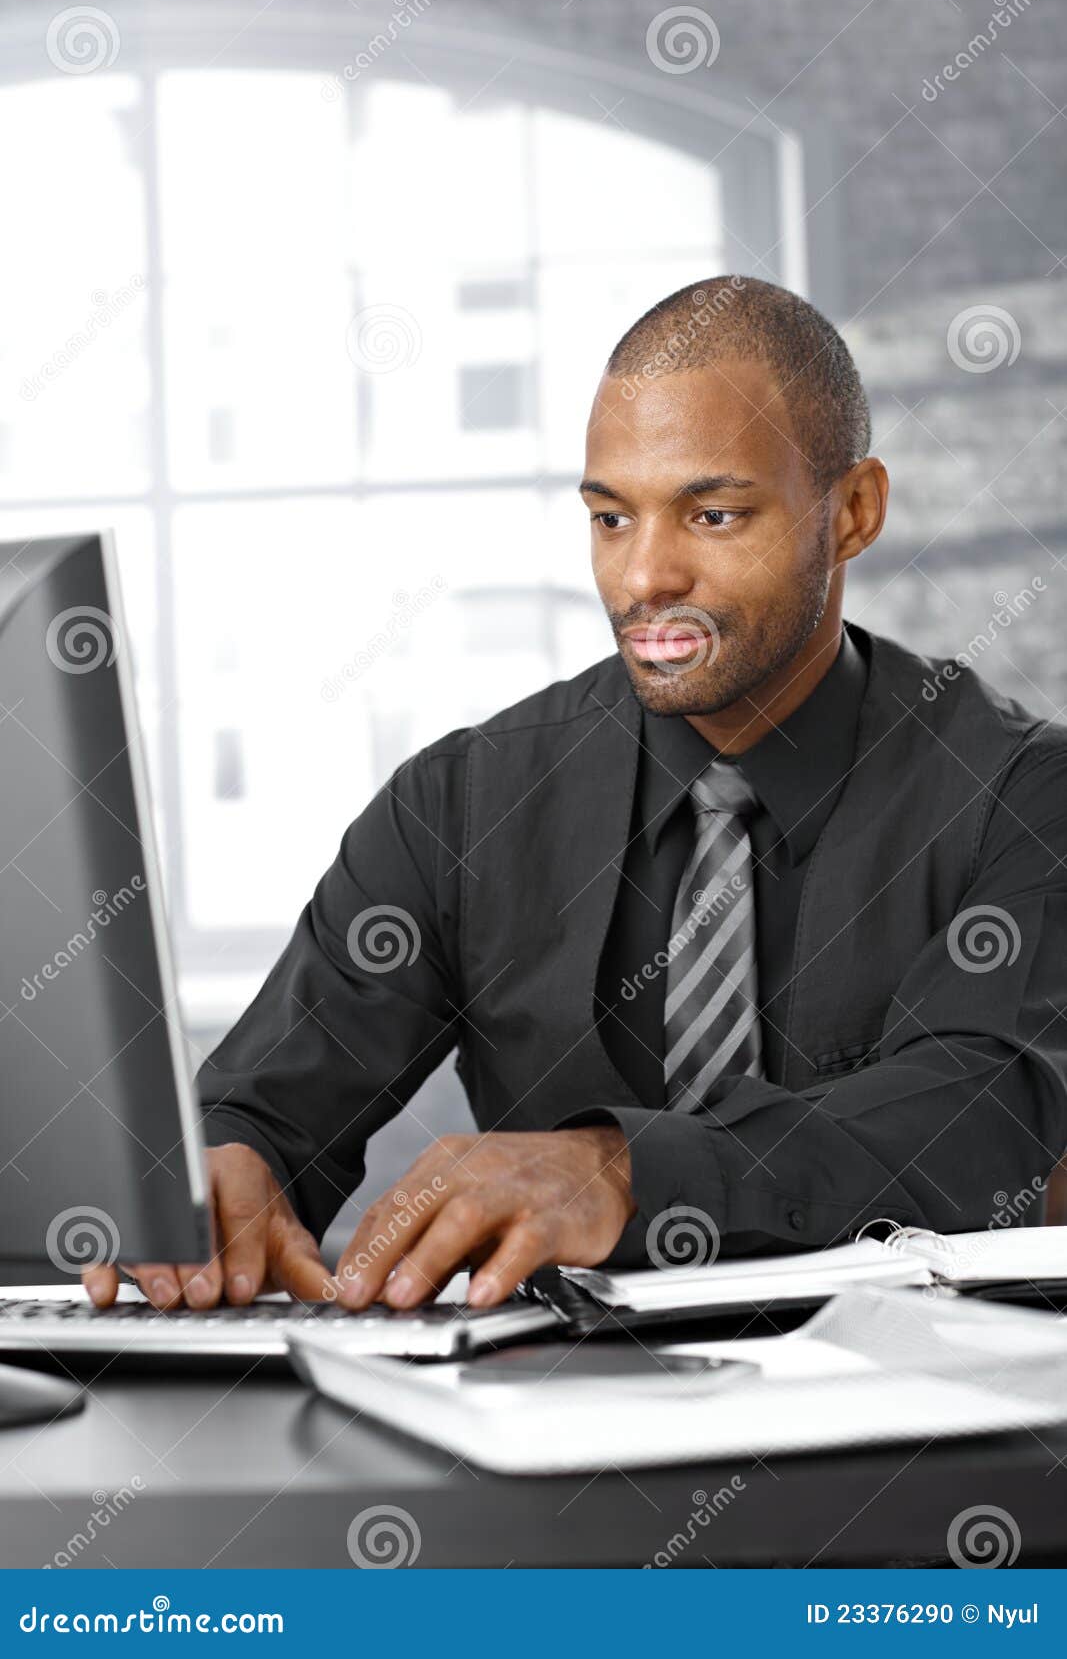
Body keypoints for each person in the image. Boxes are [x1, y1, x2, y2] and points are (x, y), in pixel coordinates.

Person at [85, 276, 1067, 1316]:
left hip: (908, 1405)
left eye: (713, 514)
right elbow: (264, 1106)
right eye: (610, 518)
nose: (643, 577)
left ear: (854, 511)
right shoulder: (459, 806)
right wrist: (228, 1173)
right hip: (537, 1406)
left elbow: (989, 1118)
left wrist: (622, 1172)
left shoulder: (1021, 794)